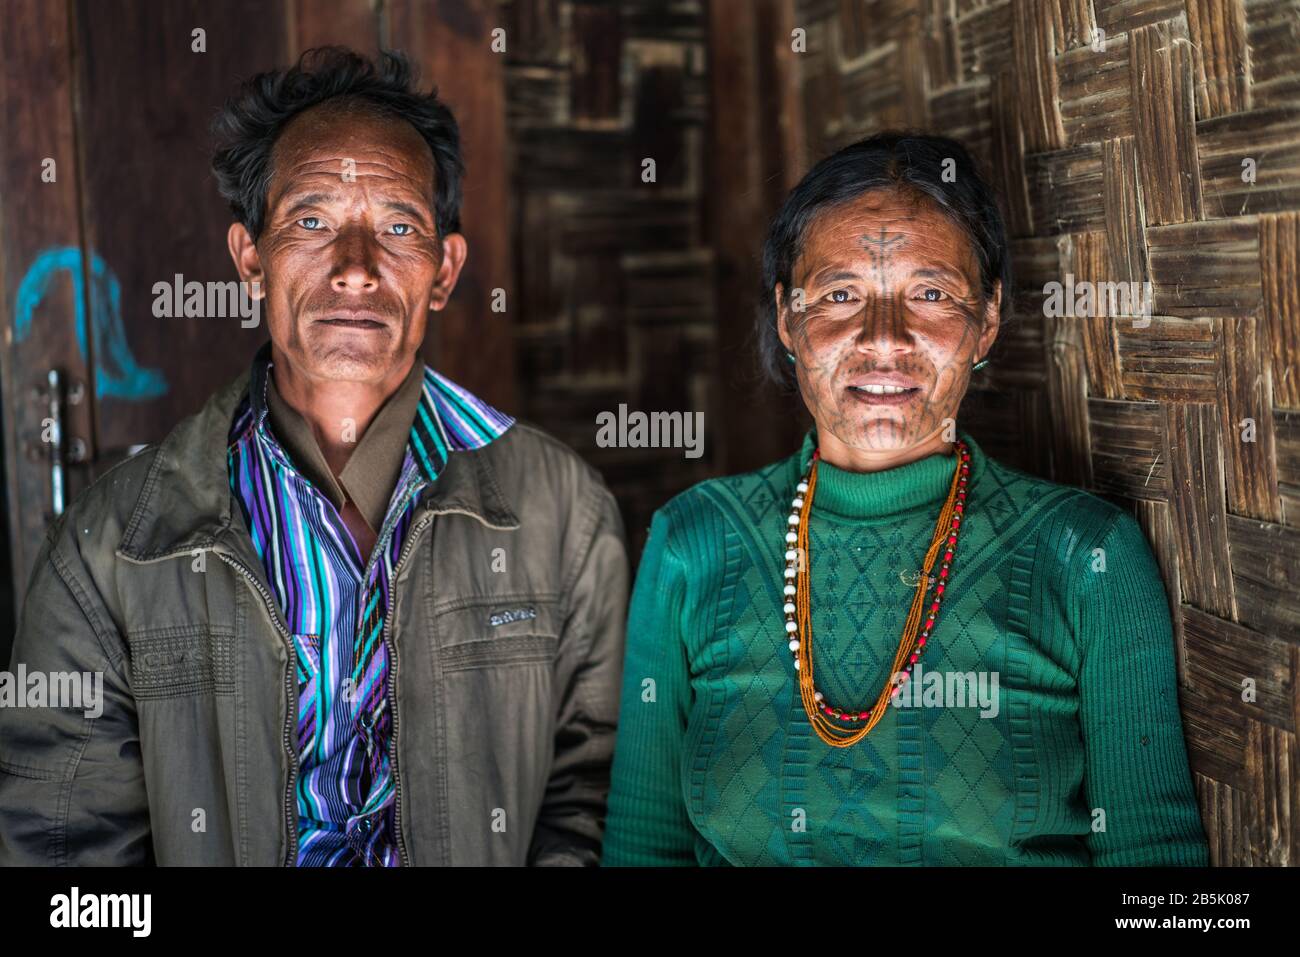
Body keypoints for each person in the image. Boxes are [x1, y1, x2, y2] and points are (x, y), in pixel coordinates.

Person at [0, 47, 628, 866]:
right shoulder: (111, 546)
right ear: (250, 258)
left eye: (399, 226)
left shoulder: (563, 513)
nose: (357, 270)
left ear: (444, 270)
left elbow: (593, 795)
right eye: (311, 221)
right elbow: (64, 855)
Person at [603, 132, 1208, 866]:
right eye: (839, 294)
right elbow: (641, 847)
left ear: (986, 320)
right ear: (789, 318)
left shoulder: (1086, 557)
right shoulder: (692, 544)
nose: (883, 339)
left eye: (929, 294)